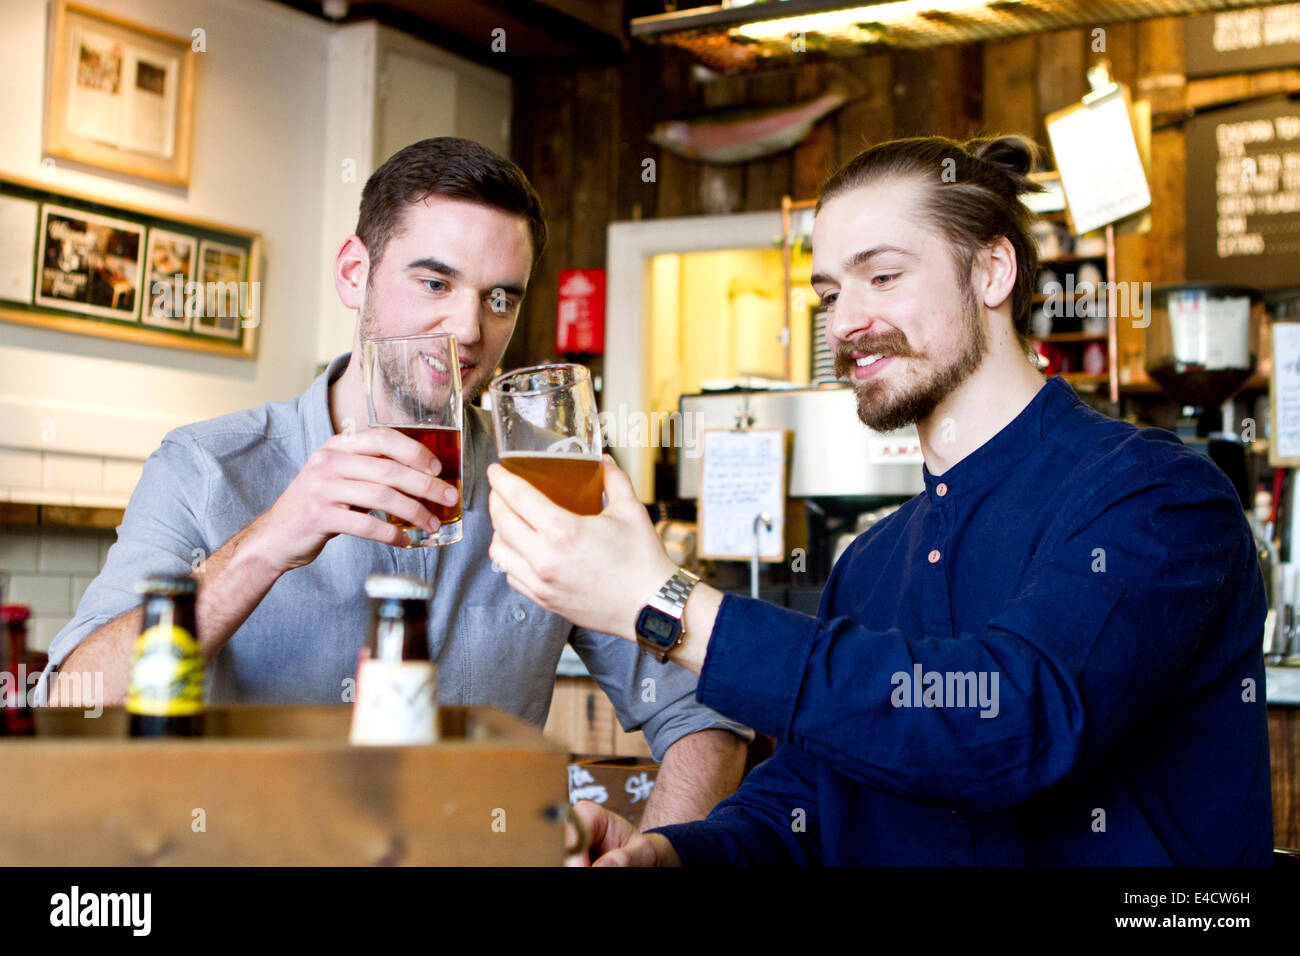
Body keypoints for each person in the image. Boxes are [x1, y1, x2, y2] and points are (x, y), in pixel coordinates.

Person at [486, 134, 1274, 865]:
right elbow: (808, 802)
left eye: (884, 276)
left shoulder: (1157, 497)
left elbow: (1008, 722)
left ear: (992, 272)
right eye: (830, 293)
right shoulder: (870, 560)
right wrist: (674, 854)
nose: (848, 322)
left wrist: (665, 603)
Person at [42, 137, 751, 827]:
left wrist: (664, 854)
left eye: (500, 298)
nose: (468, 328)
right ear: (355, 273)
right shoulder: (205, 467)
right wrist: (264, 546)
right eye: (435, 282)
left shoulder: (546, 483)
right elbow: (70, 708)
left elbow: (703, 714)